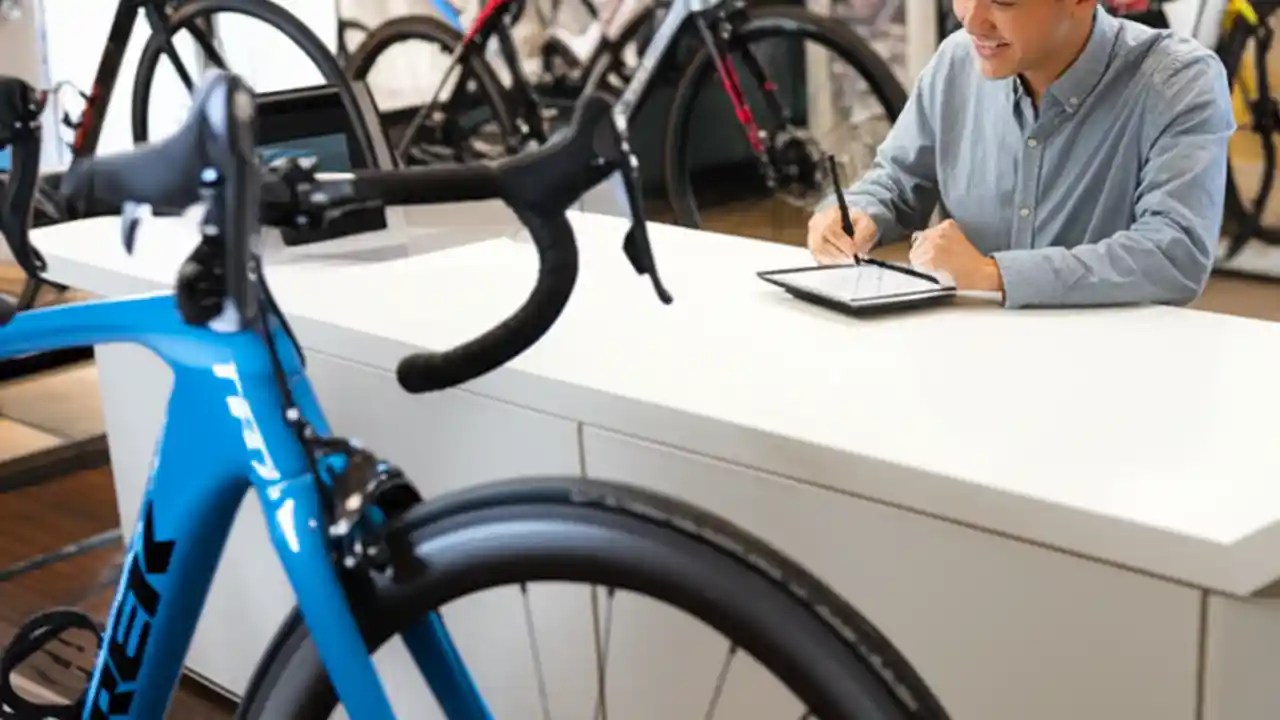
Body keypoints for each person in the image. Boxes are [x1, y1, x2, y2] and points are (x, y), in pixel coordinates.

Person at [808, 0, 1235, 308]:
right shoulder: (955, 63)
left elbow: (1174, 252)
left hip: (1116, 377)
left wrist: (994, 275)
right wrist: (857, 214)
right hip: (969, 366)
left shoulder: (1178, 80)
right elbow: (898, 183)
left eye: (1003, 1)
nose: (971, 19)